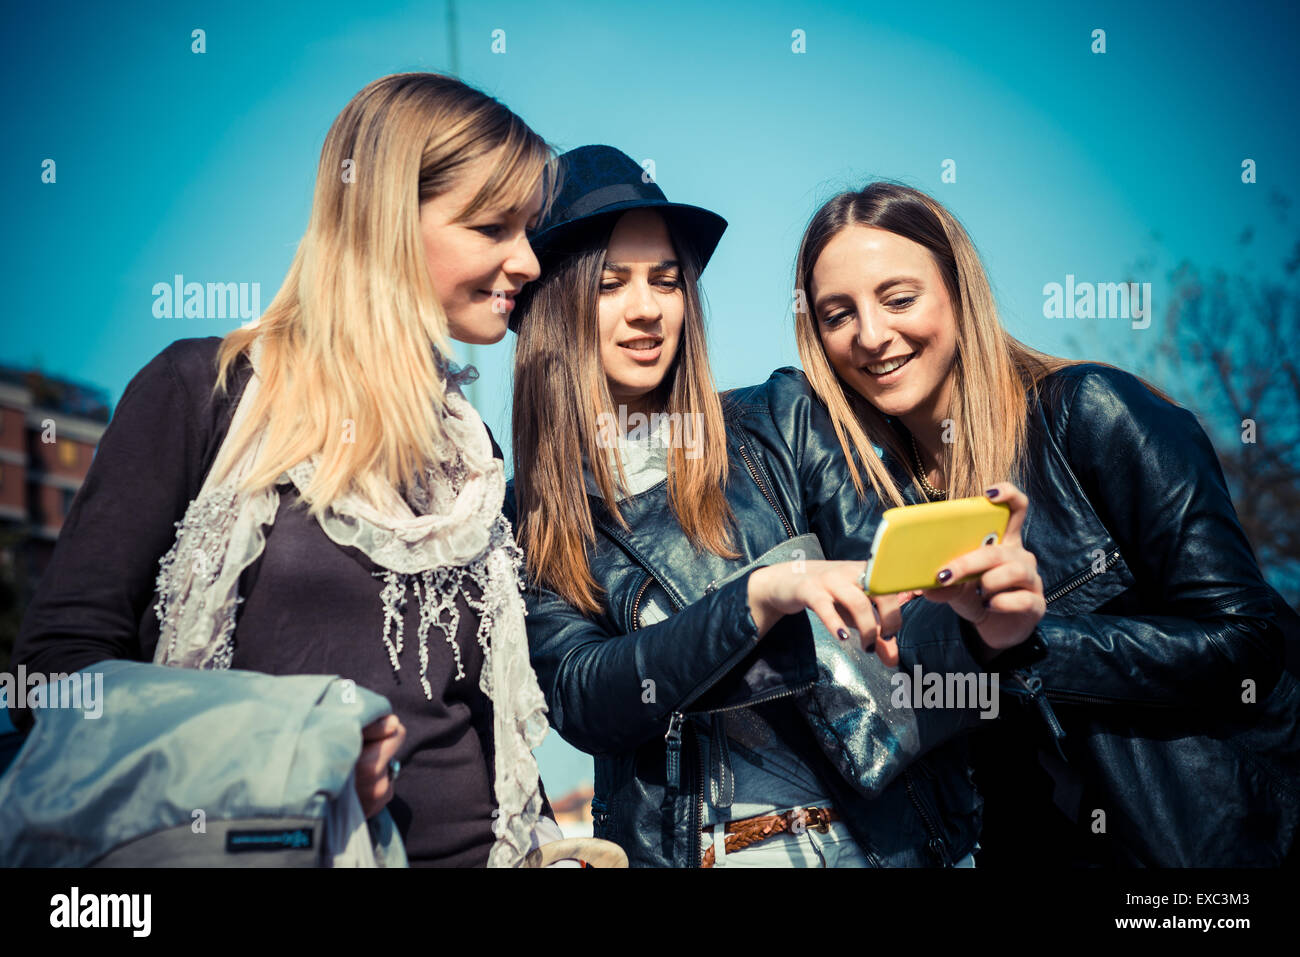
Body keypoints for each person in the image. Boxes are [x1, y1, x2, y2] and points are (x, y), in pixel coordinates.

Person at [12, 72, 562, 867]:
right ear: (384, 221)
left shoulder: (471, 452)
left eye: (530, 229)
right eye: (493, 227)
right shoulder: (200, 392)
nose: (530, 260)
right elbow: (54, 676)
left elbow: (484, 710)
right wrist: (298, 745)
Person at [505, 145, 1047, 868]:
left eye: (667, 280)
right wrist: (759, 595)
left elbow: (903, 617)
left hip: (878, 845)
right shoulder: (531, 512)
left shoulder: (779, 420)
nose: (646, 309)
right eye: (611, 284)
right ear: (556, 304)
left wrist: (982, 635)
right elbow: (584, 695)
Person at [791, 181, 1300, 866]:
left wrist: (1028, 644)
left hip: (1208, 852)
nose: (872, 334)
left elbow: (1248, 640)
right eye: (837, 314)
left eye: (899, 297)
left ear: (959, 293)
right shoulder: (885, 515)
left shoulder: (1090, 412)